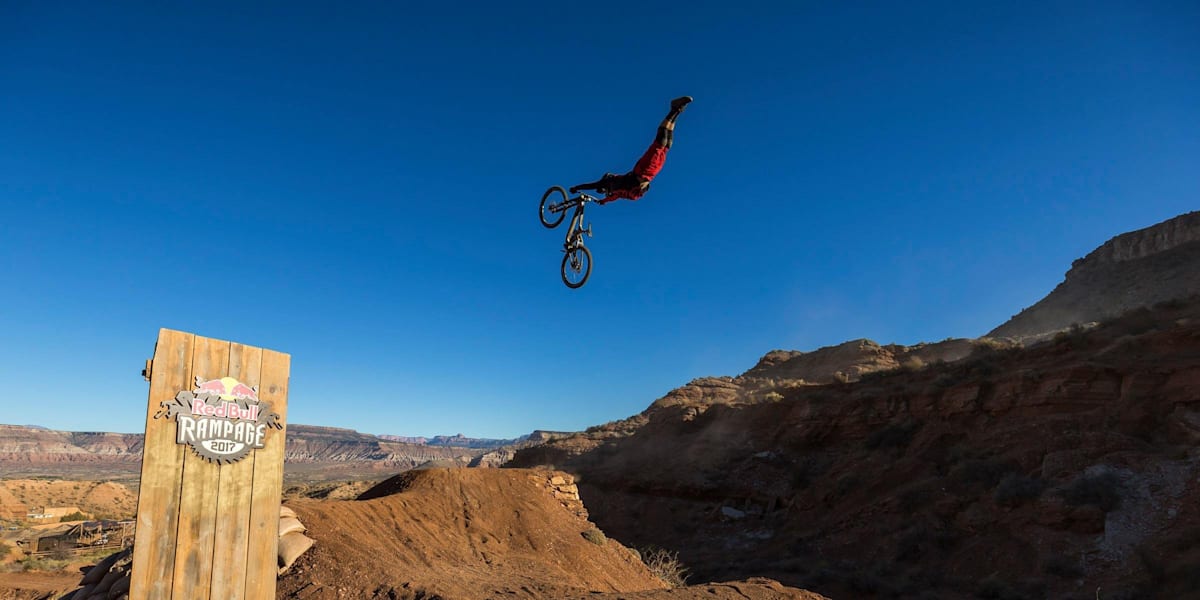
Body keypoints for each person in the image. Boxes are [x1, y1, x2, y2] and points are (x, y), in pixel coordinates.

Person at [570, 96, 692, 204]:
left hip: (643, 171)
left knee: (660, 143)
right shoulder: (617, 192)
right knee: (666, 146)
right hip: (649, 174)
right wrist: (604, 201)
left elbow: (591, 185)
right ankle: (677, 111)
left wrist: (576, 188)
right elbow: (613, 197)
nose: (604, 191)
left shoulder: (611, 183)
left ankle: (674, 109)